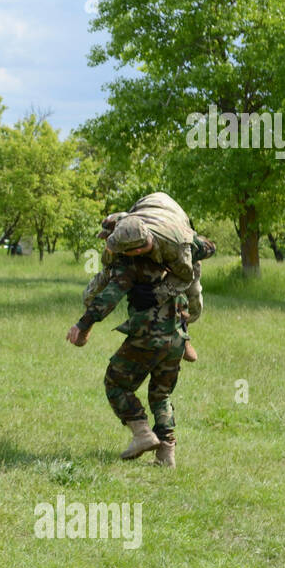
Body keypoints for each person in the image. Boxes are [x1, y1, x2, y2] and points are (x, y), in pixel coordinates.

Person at [68, 250, 189, 467]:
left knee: (116, 383)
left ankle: (142, 434)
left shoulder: (129, 261)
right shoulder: (170, 260)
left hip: (149, 335)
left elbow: (110, 297)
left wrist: (83, 324)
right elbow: (184, 299)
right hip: (177, 336)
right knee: (161, 394)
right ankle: (166, 454)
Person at [96, 192, 214, 361]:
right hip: (148, 211)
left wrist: (157, 295)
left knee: (192, 300)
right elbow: (108, 262)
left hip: (179, 241)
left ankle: (184, 335)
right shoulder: (126, 226)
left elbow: (184, 278)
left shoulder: (181, 245)